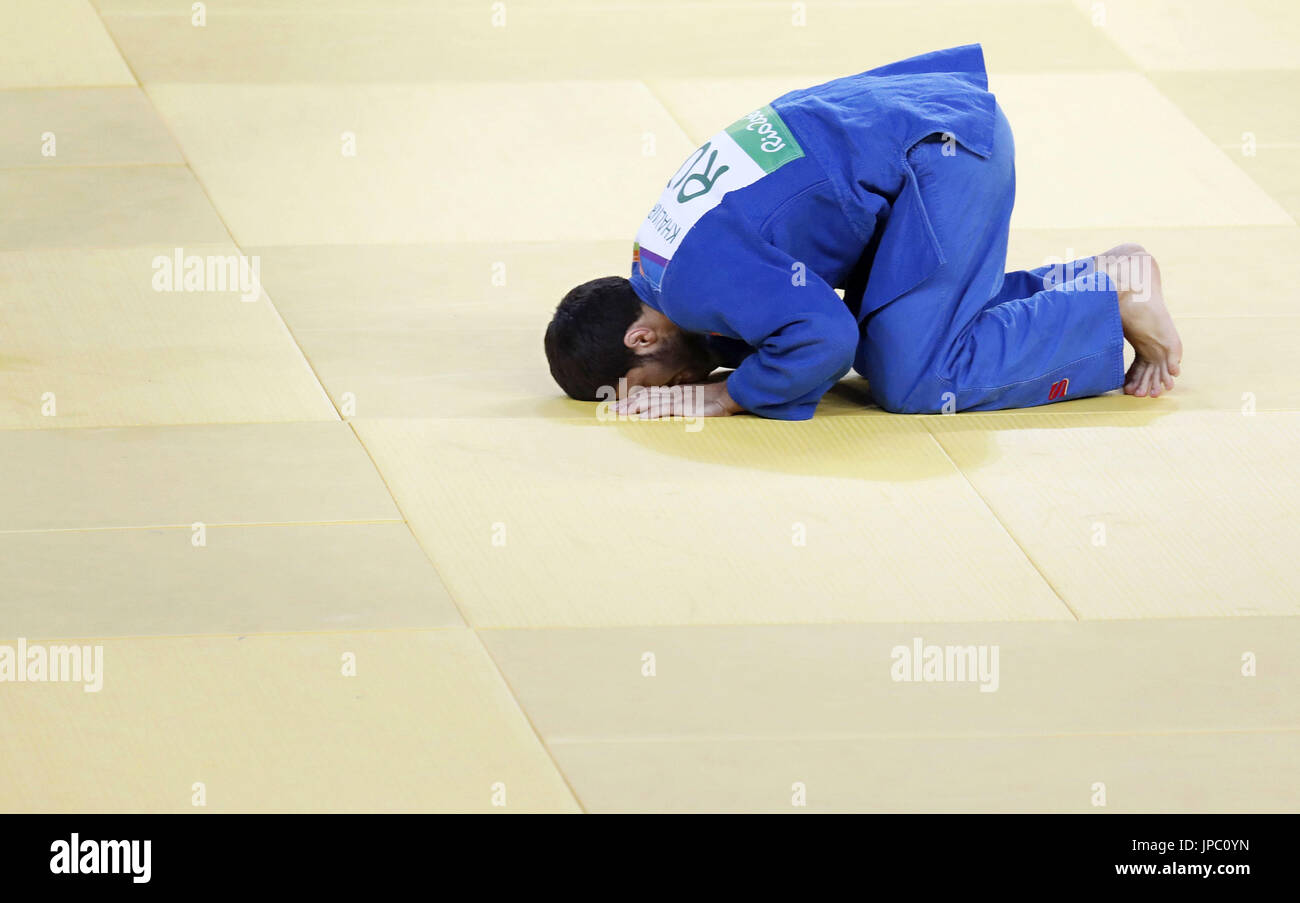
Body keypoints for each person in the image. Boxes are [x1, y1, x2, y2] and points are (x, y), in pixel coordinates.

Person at [544, 44, 1182, 421]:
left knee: (919, 379)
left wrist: (723, 399)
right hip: (899, 128)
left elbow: (825, 335)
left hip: (936, 152)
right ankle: (1104, 277)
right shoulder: (656, 259)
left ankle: (1111, 301)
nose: (680, 391)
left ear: (642, 335)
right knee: (885, 351)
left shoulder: (692, 284)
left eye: (665, 387)